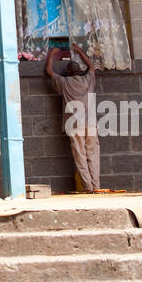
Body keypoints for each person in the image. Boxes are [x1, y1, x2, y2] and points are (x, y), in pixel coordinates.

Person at [44, 42, 100, 192]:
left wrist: (52, 54)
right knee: (93, 155)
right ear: (79, 71)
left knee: (80, 155)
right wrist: (79, 50)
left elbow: (49, 70)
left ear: (67, 72)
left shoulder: (65, 82)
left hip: (74, 125)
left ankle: (88, 187)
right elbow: (92, 67)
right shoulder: (88, 80)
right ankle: (96, 186)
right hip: (91, 123)